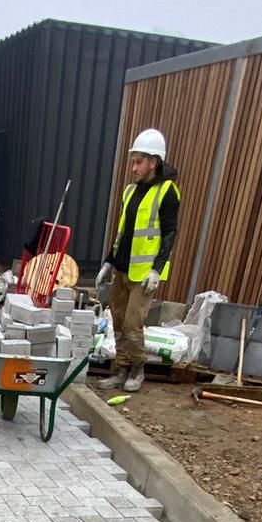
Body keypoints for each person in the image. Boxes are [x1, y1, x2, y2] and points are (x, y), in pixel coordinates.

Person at [95, 129, 179, 393]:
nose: (133, 167)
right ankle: (120, 369)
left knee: (133, 323)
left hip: (143, 274)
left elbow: (169, 233)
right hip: (122, 267)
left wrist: (157, 269)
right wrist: (109, 262)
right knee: (117, 320)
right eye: (133, 161)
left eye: (138, 161)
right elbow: (123, 231)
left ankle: (137, 368)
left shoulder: (167, 191)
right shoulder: (130, 191)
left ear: (153, 162)